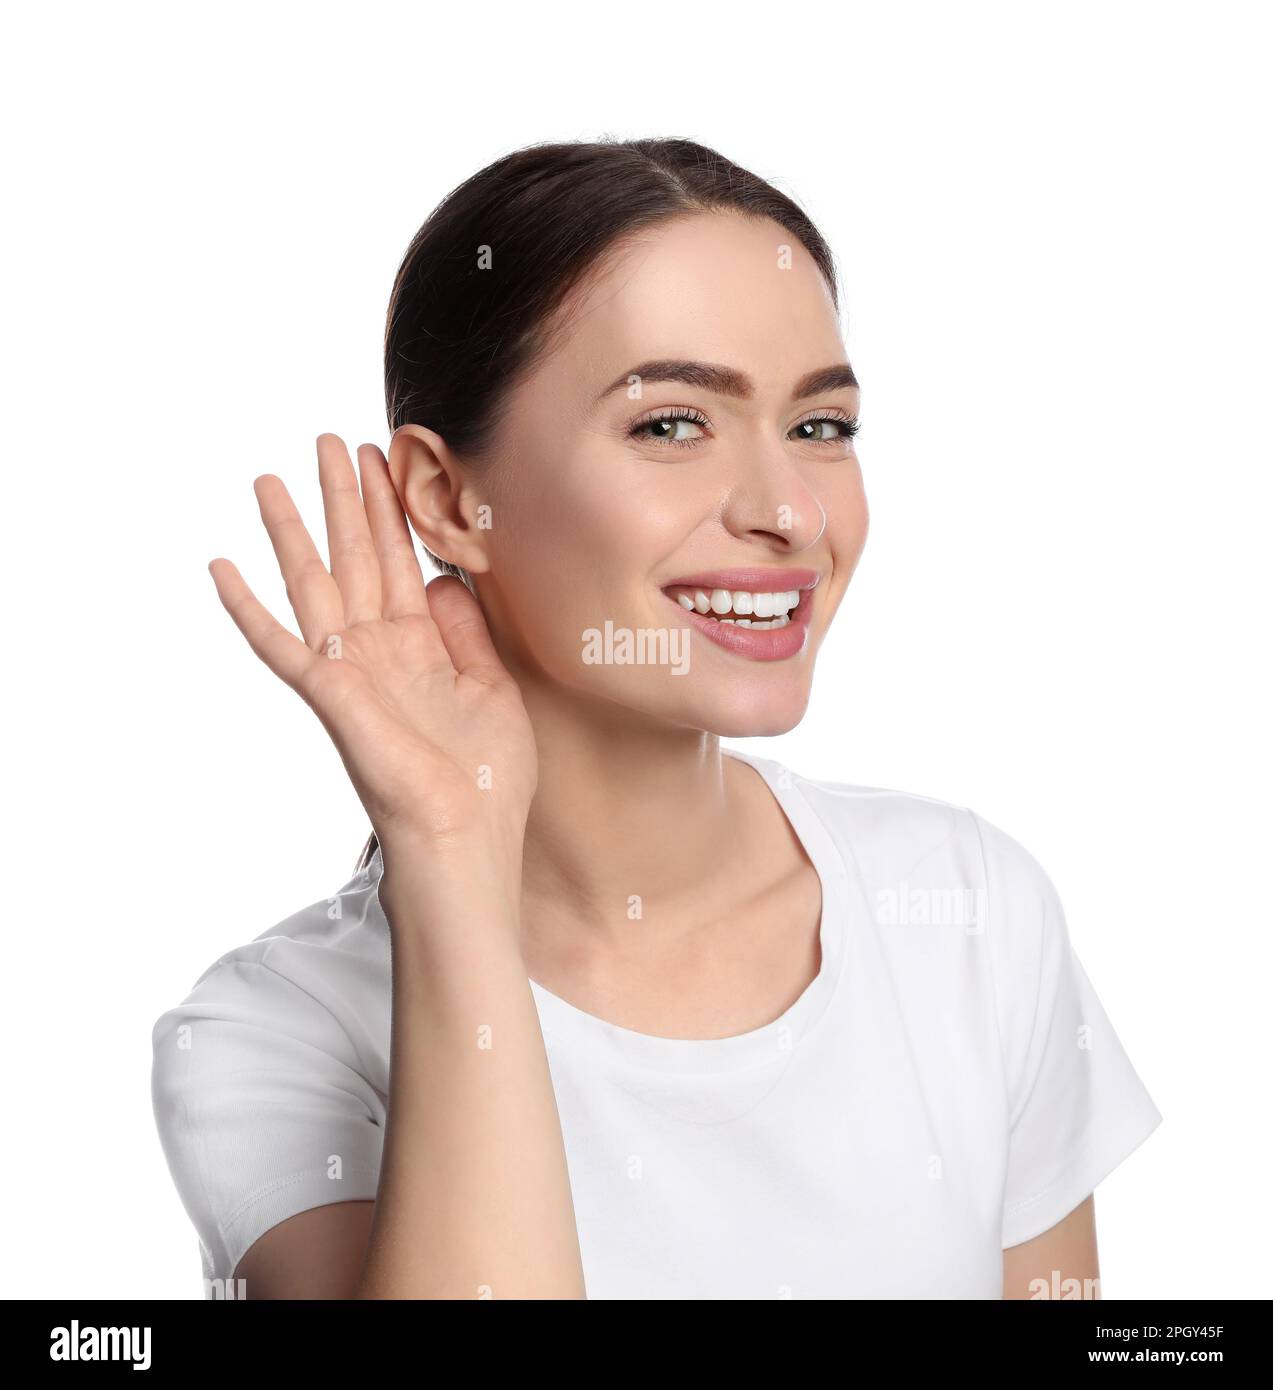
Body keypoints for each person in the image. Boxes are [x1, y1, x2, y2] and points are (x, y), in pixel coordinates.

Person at [150, 137, 1162, 1300]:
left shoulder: (972, 912)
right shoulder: (272, 1036)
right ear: (446, 497)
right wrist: (448, 847)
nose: (789, 513)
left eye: (820, 427)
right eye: (671, 424)